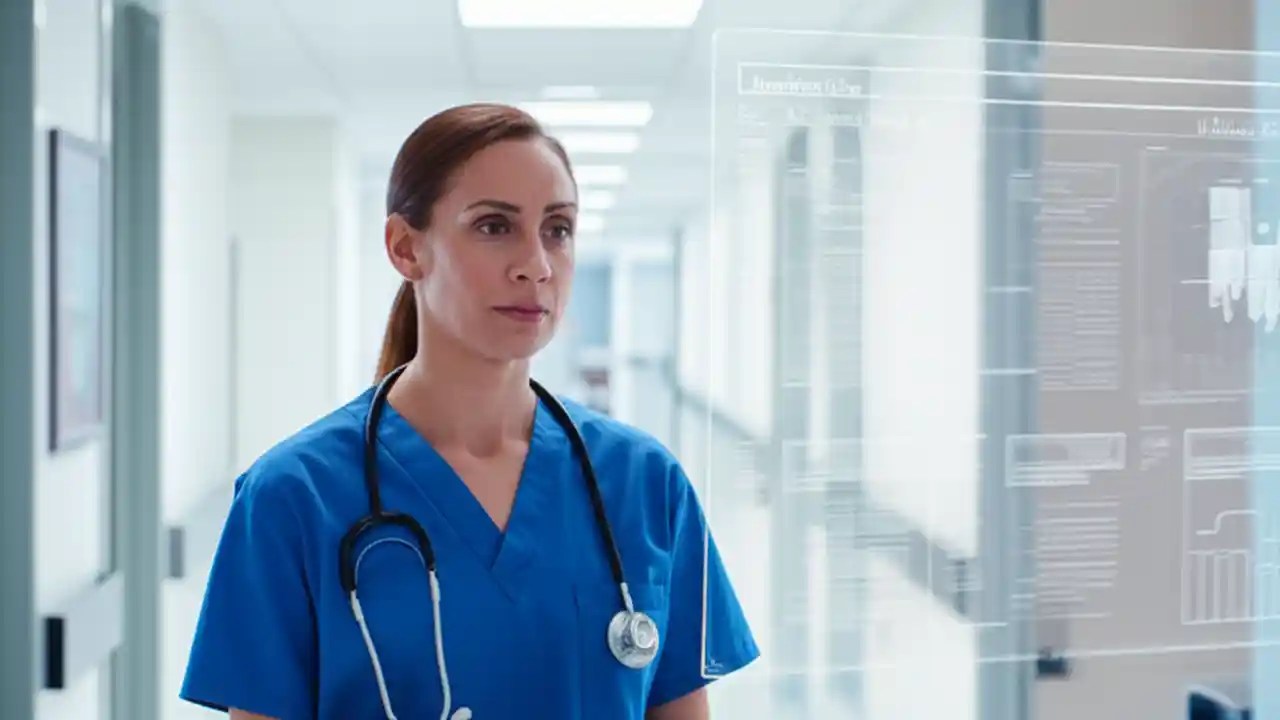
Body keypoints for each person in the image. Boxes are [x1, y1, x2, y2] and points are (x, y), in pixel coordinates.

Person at [179, 102, 759, 720]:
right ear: (406, 249)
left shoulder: (645, 485)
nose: (535, 265)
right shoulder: (294, 496)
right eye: (493, 226)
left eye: (557, 230)